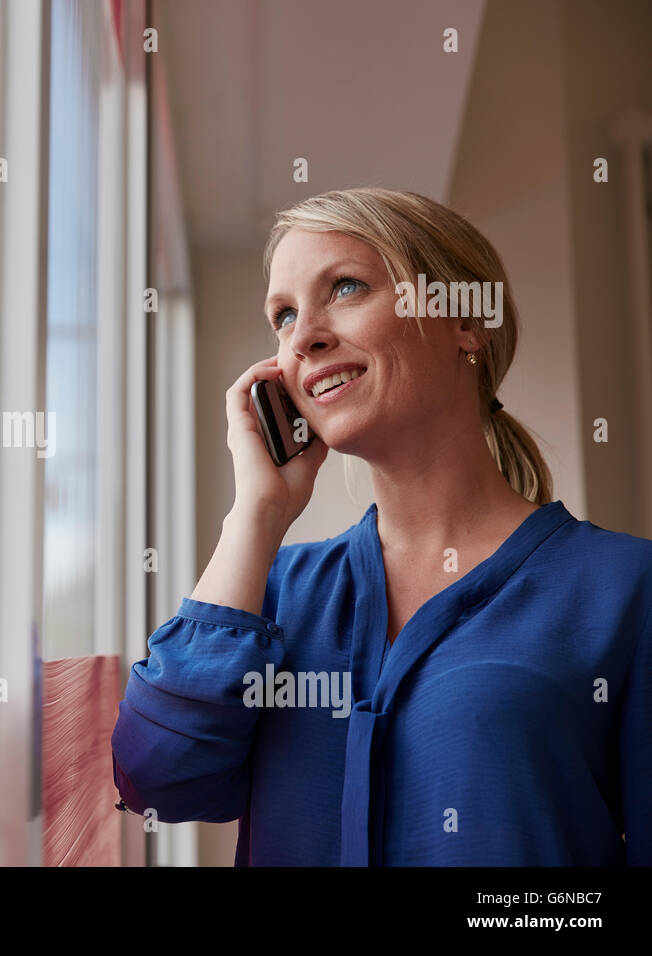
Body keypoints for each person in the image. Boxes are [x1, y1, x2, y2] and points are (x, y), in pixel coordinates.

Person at [110, 187, 652, 865]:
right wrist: (258, 511)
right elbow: (156, 780)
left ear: (464, 321)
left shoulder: (627, 590)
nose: (303, 336)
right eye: (282, 316)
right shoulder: (272, 593)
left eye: (345, 287)